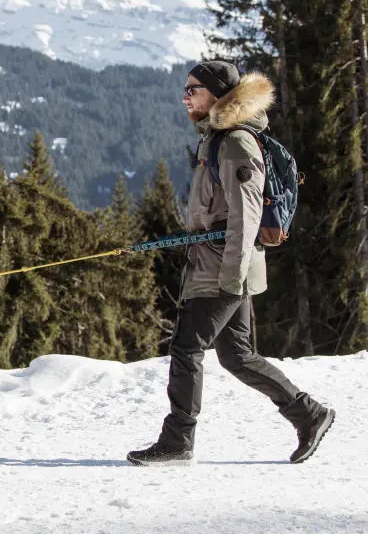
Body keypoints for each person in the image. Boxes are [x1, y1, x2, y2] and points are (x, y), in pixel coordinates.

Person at [127, 60, 335, 466]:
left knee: (187, 346)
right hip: (222, 261)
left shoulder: (235, 142)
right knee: (236, 354)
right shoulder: (217, 138)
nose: (185, 97)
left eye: (193, 90)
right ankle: (309, 414)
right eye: (185, 89)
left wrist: (230, 276)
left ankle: (177, 443)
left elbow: (246, 215)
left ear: (217, 95)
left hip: (224, 266)